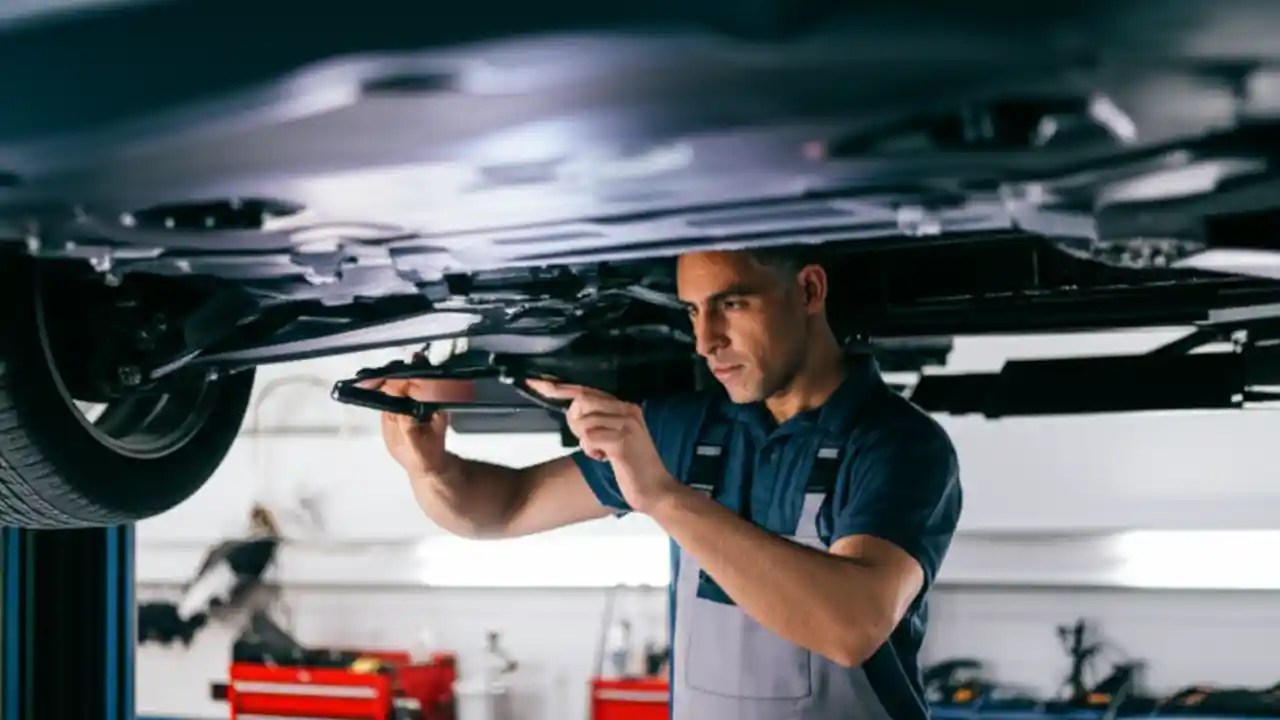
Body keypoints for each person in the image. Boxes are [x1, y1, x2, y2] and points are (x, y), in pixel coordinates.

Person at [371, 248, 963, 720]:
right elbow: (502, 509)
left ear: (808, 290)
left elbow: (850, 625)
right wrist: (430, 468)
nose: (705, 341)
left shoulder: (897, 444)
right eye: (691, 311)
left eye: (731, 304)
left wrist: (662, 495)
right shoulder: (684, 429)